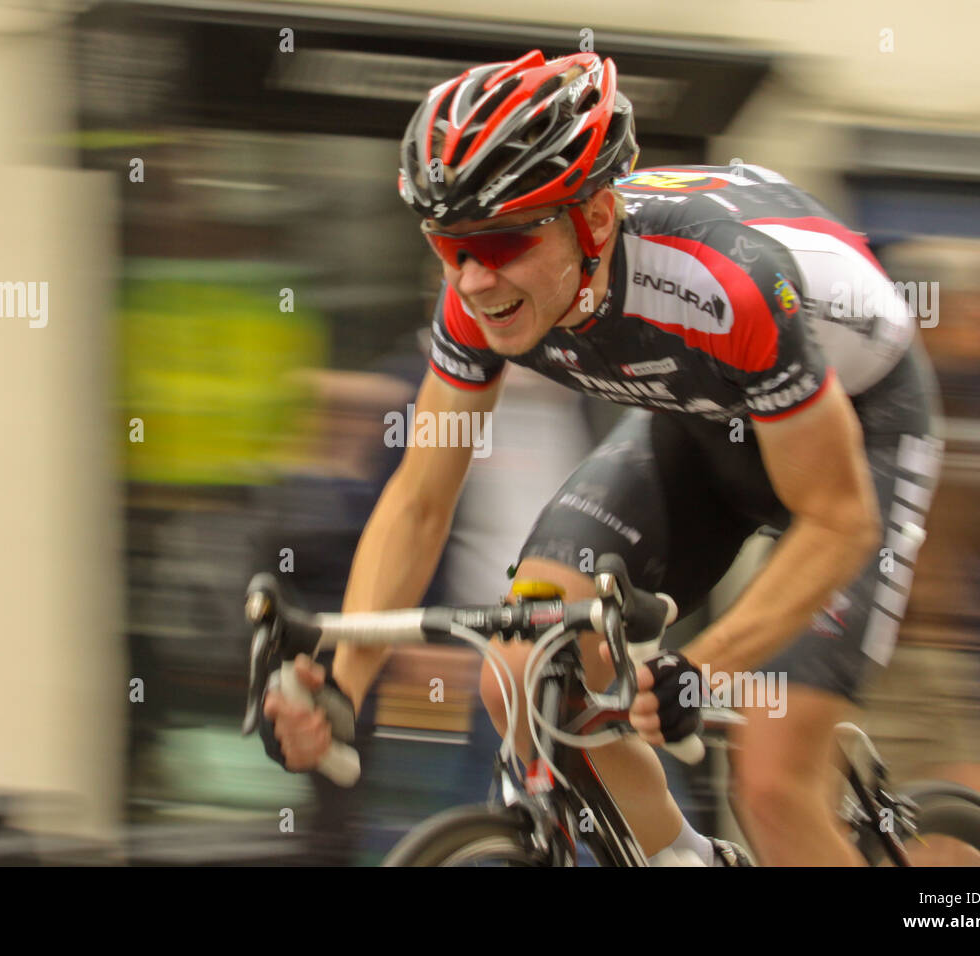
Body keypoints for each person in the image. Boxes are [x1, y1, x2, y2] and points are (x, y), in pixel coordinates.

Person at [260, 49, 942, 866]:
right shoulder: (482, 296)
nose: (475, 279)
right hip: (697, 426)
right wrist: (342, 684)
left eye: (505, 240)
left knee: (769, 784)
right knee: (518, 674)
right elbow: (418, 502)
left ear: (594, 221)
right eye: (449, 246)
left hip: (856, 435)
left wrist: (701, 668)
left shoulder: (726, 282)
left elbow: (839, 520)